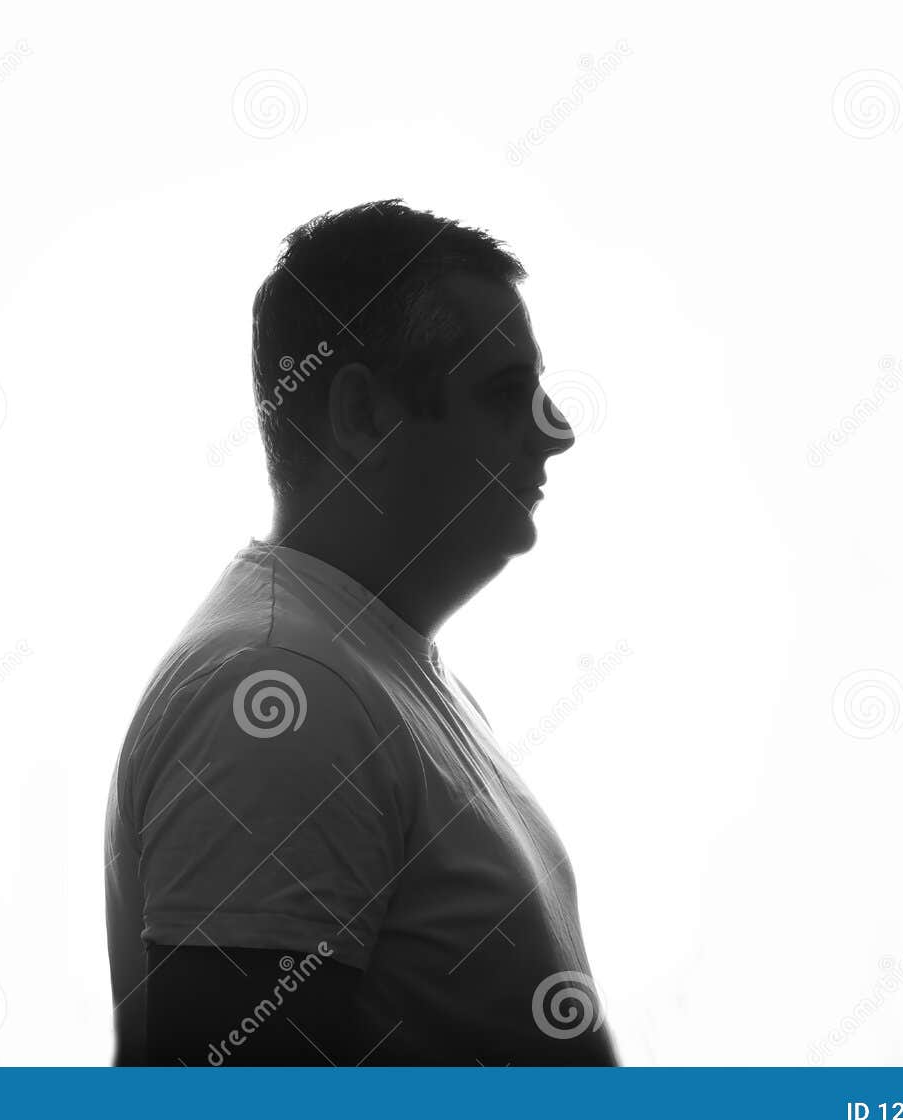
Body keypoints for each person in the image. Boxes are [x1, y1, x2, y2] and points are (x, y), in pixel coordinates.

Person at [104, 199, 616, 1065]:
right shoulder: (280, 693)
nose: (557, 432)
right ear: (363, 415)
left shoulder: (368, 670)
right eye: (504, 391)